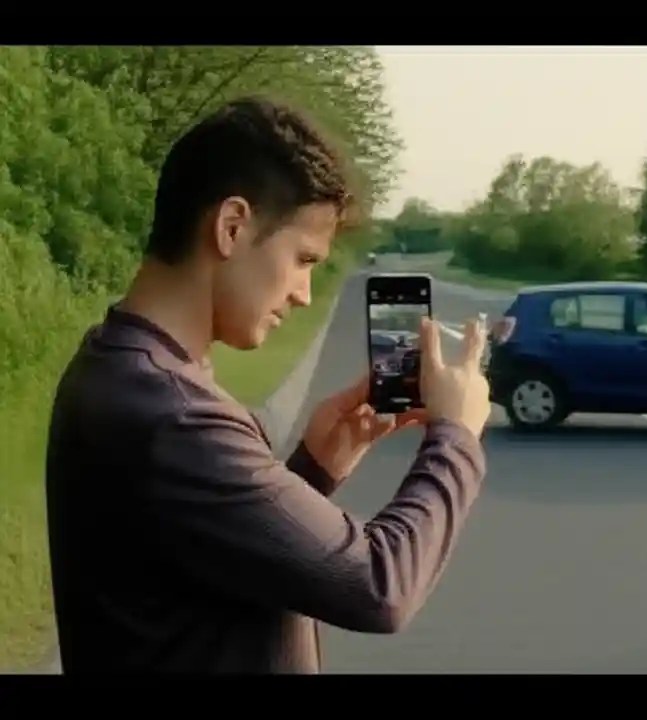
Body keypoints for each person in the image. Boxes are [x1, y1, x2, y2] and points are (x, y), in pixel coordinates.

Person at [43, 95, 492, 674]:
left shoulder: (123, 364)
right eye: (303, 258)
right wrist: (455, 438)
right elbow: (379, 585)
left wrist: (313, 469)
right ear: (232, 227)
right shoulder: (170, 413)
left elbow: (207, 558)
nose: (304, 293)